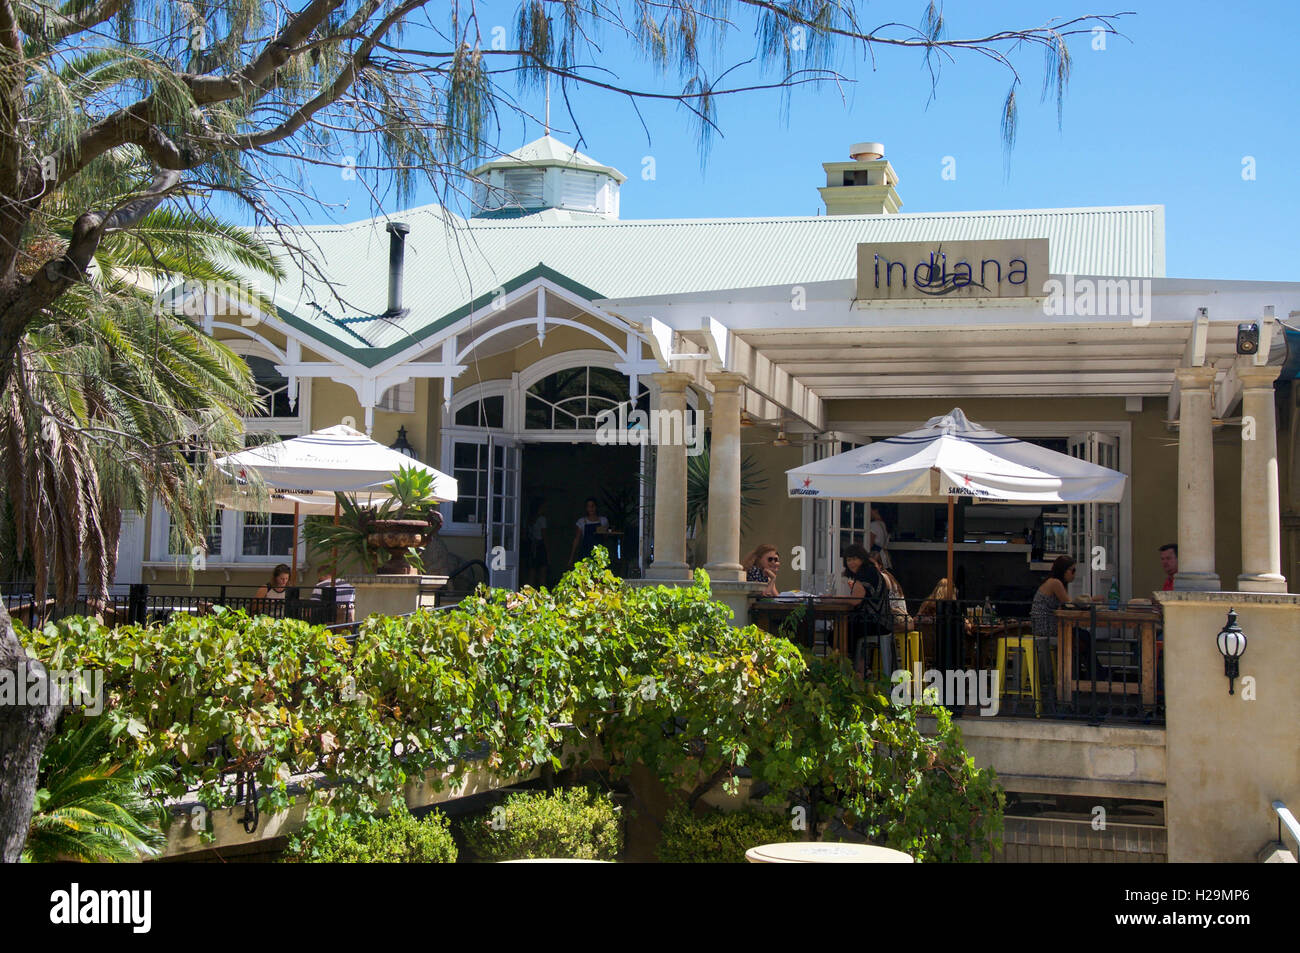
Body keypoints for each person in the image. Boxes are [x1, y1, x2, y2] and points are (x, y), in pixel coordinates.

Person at [841, 543, 894, 678]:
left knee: (841, 632)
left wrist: (833, 599)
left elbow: (855, 600)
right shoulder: (869, 571)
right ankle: (861, 668)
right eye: (848, 560)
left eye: (854, 559)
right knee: (841, 631)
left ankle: (857, 671)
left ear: (862, 559)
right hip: (881, 622)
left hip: (877, 623)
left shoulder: (866, 572)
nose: (851, 563)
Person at [570, 497, 610, 566]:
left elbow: (606, 537)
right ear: (586, 508)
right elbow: (577, 539)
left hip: (599, 554)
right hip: (585, 552)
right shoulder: (581, 521)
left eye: (592, 506)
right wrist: (571, 557)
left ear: (596, 507)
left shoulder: (603, 520)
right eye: (588, 506)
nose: (591, 508)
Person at [526, 500, 549, 587]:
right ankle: (543, 593)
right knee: (543, 572)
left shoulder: (530, 519)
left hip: (532, 545)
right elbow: (544, 535)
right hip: (540, 546)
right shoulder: (542, 519)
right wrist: (548, 550)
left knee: (532, 571)